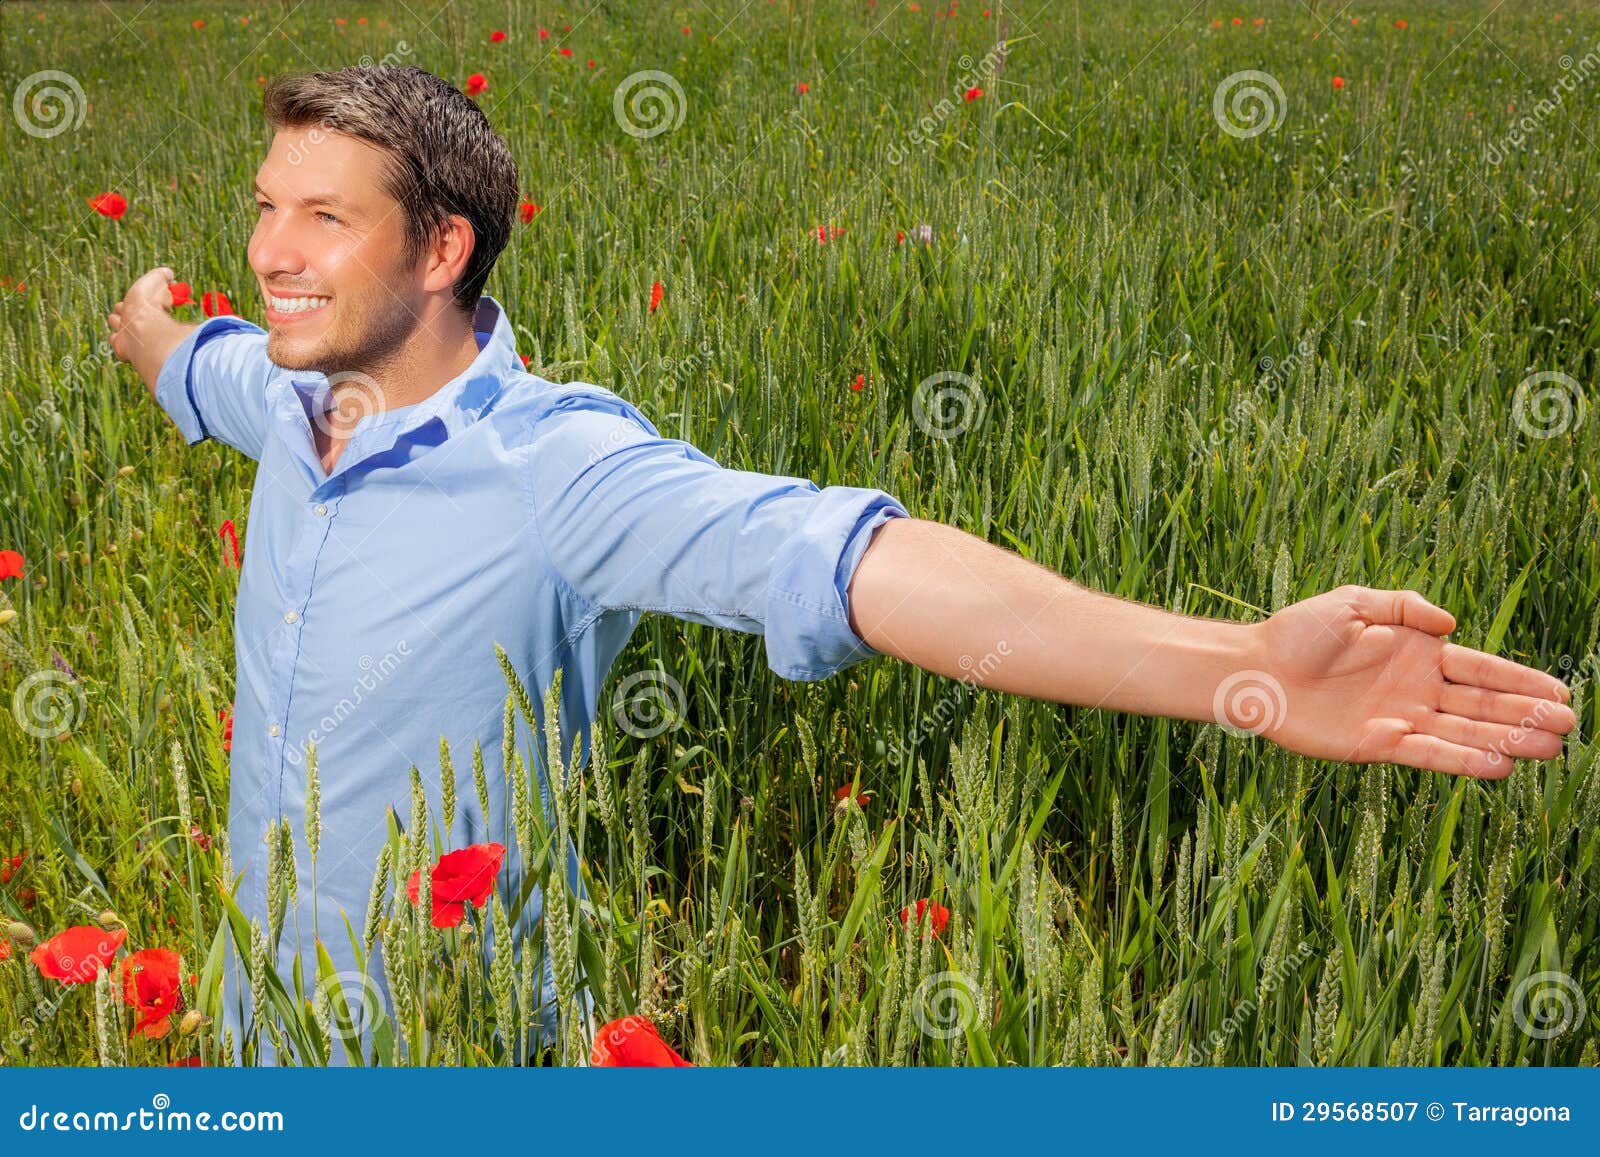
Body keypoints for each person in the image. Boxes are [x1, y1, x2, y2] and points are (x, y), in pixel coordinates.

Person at [106, 65, 1575, 1066]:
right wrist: (152, 324)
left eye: (322, 217)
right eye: (262, 205)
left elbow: (847, 560)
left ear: (441, 250)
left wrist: (1237, 664)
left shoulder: (561, 471)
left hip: (448, 1045)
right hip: (254, 1023)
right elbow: (193, 358)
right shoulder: (283, 394)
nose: (273, 250)